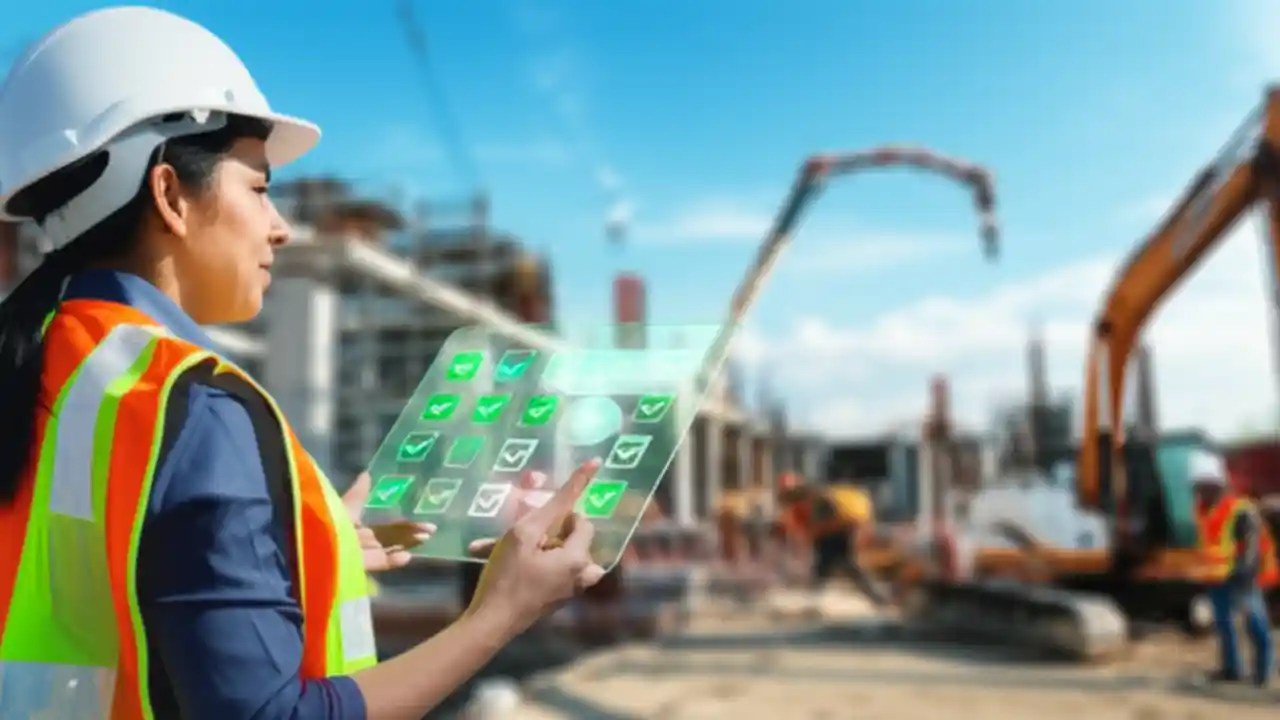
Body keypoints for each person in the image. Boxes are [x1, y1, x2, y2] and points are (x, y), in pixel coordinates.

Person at [0, 7, 605, 719]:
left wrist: (303, 539)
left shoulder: (47, 360)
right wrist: (498, 615)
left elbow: (87, 580)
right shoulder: (192, 405)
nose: (281, 226)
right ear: (169, 194)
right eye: (259, 188)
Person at [1189, 448, 1277, 688]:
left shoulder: (1240, 509)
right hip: (1216, 578)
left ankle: (1263, 672)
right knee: (1224, 625)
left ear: (1217, 484)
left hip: (1241, 578)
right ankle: (1232, 669)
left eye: (1203, 486)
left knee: (1255, 624)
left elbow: (1251, 546)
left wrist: (1243, 574)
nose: (1199, 491)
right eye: (1197, 486)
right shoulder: (1202, 509)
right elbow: (1209, 544)